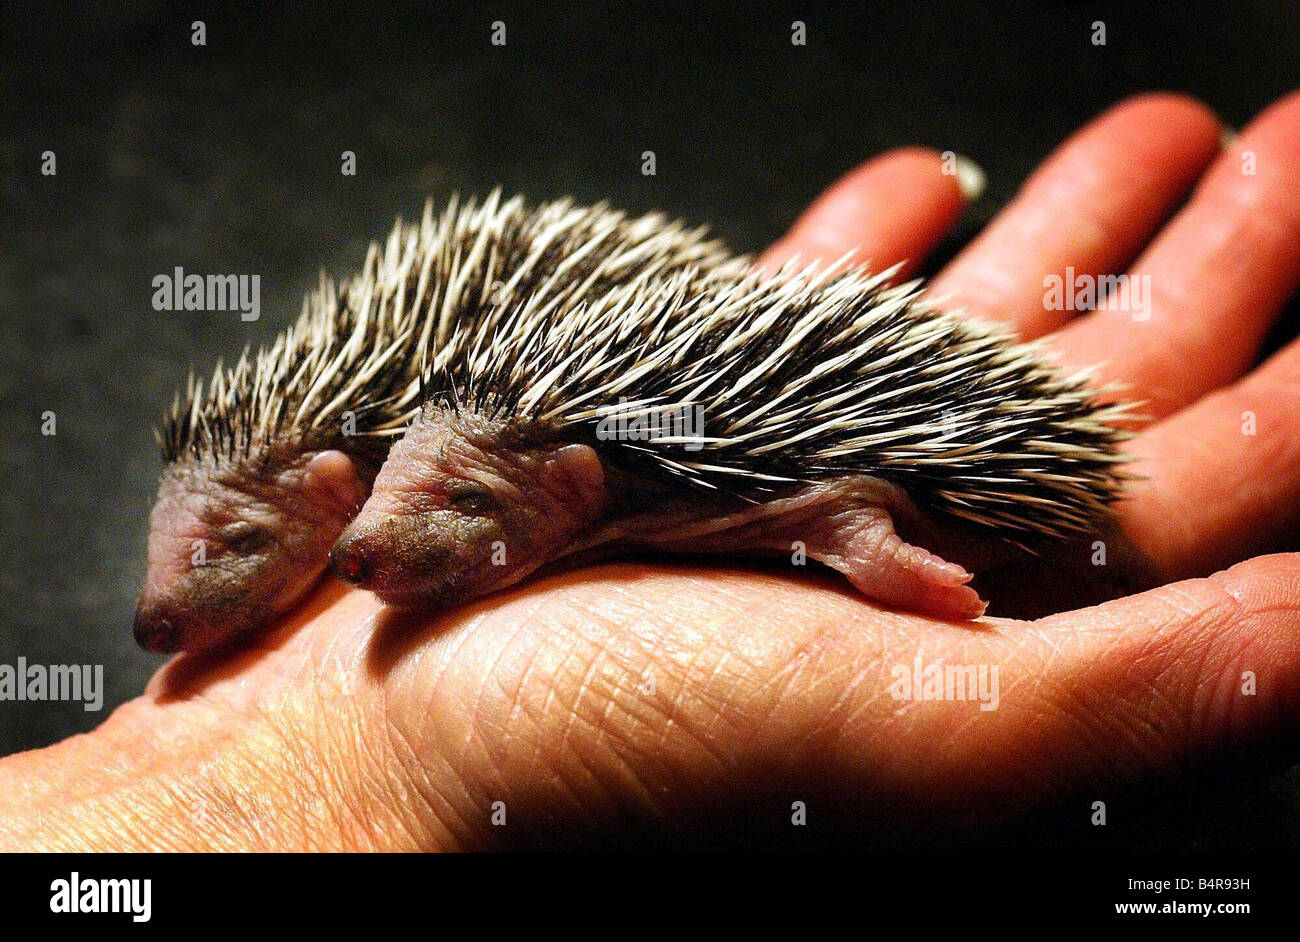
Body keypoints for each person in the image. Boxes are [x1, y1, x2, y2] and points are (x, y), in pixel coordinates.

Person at [3, 91, 1298, 851]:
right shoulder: (490, 457)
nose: (359, 561)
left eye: (438, 501)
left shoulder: (626, 467)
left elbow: (805, 496)